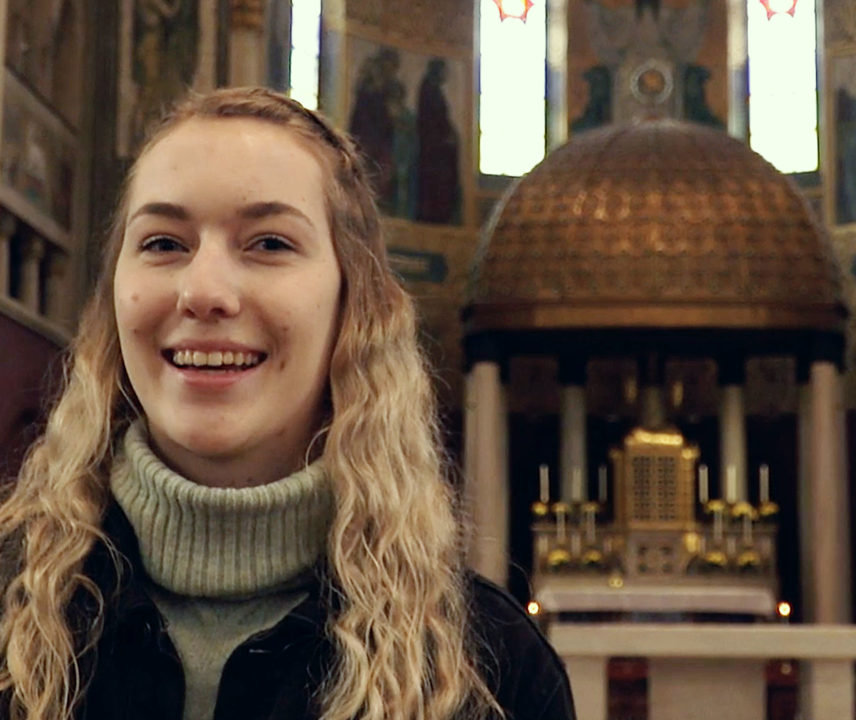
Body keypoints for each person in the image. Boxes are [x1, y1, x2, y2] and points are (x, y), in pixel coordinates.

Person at [0, 87, 574, 720]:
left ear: (352, 306)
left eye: (269, 243)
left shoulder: (491, 669)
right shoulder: (11, 606)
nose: (204, 292)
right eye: (163, 243)